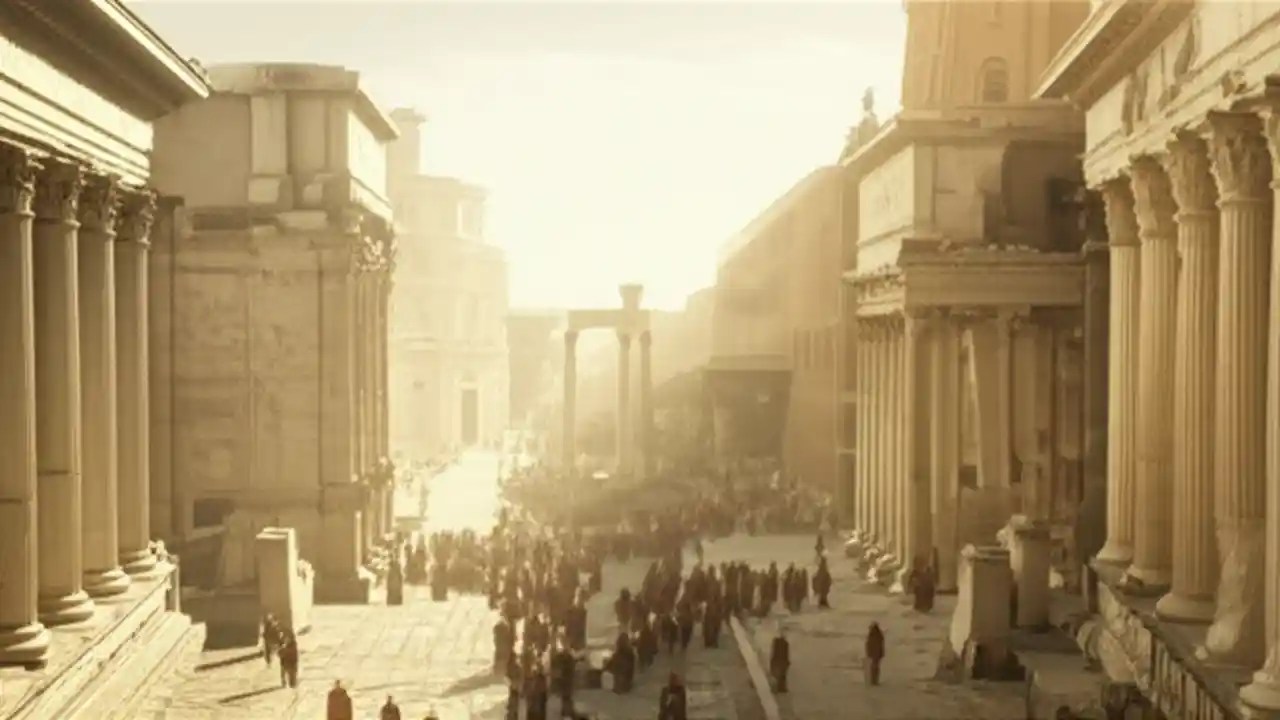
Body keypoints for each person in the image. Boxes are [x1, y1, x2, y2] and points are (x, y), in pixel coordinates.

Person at [769, 627, 790, 693]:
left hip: (776, 660)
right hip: (781, 660)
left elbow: (773, 651)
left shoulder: (776, 641)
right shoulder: (785, 643)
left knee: (777, 673)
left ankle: (777, 687)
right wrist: (787, 662)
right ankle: (781, 688)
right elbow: (786, 654)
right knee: (782, 674)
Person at [865, 621, 885, 686]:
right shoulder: (879, 635)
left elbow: (868, 645)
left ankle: (873, 680)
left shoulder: (871, 635)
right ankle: (875, 680)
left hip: (874, 653)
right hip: (877, 653)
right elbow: (881, 644)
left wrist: (868, 653)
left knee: (873, 666)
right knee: (876, 666)